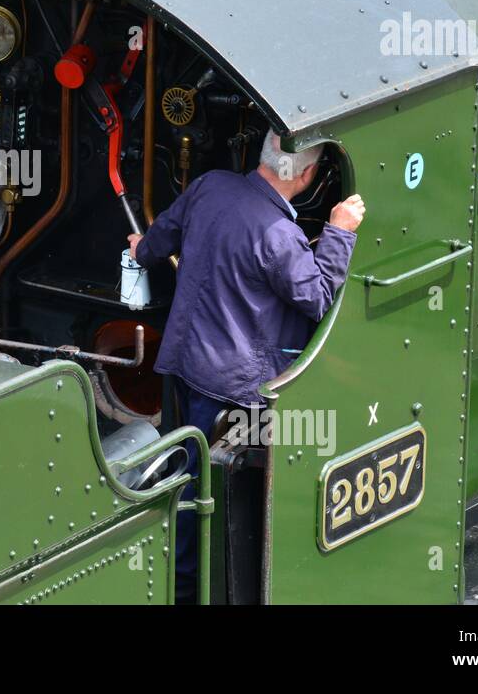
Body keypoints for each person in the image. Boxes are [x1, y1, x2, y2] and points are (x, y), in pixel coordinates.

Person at [128, 128, 366, 601]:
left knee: (180, 473)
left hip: (182, 363)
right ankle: (186, 587)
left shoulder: (210, 185)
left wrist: (140, 248)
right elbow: (319, 296)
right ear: (308, 175)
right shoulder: (280, 236)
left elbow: (158, 240)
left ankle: (170, 570)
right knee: (206, 491)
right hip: (232, 388)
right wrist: (339, 232)